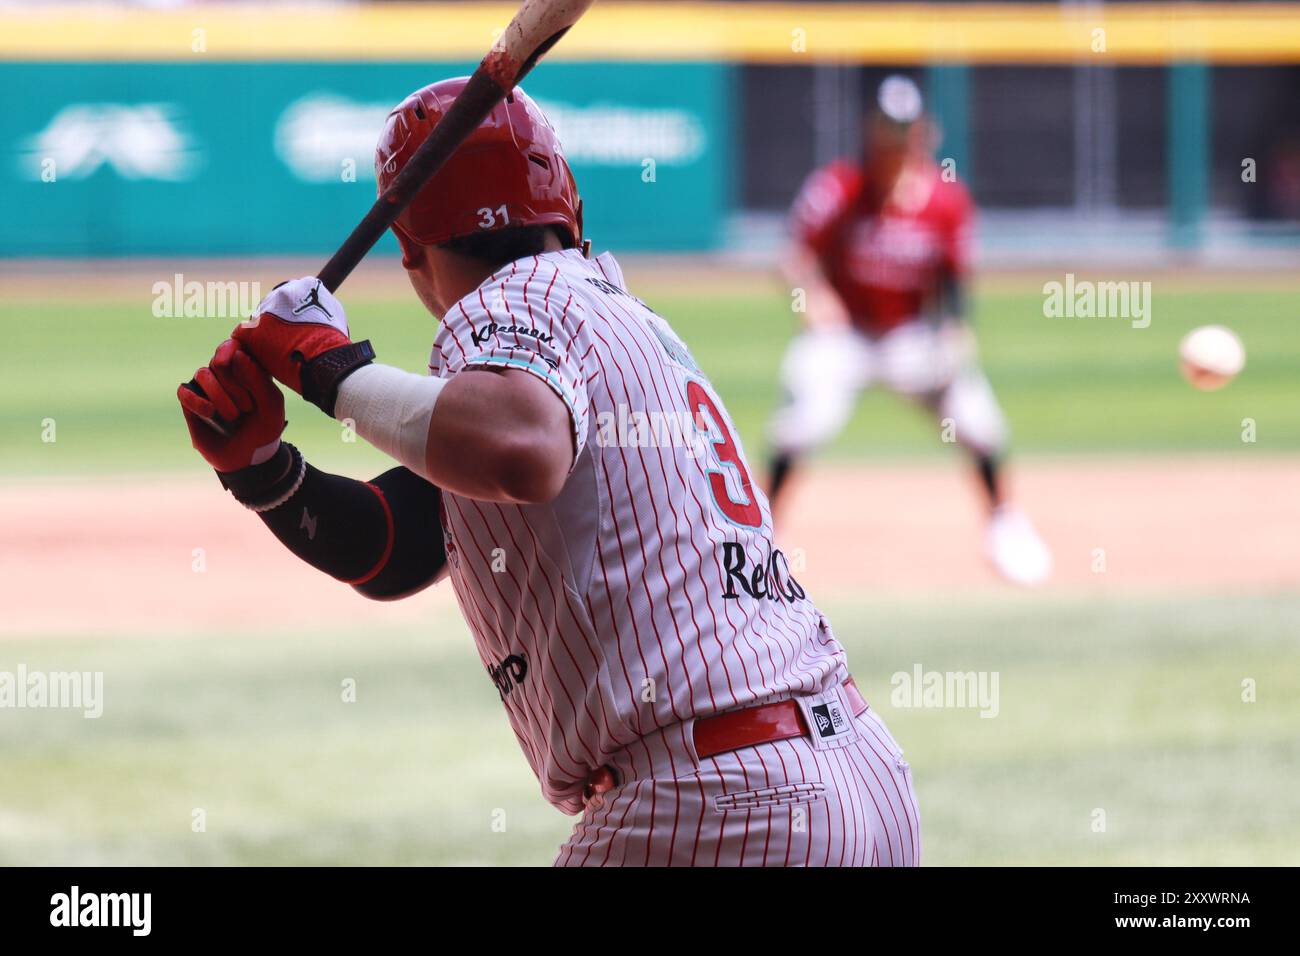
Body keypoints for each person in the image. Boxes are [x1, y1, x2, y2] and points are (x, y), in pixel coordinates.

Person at [177, 78, 918, 866]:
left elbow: (520, 452)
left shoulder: (516, 300)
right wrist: (266, 474)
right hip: (850, 773)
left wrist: (331, 371)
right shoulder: (598, 317)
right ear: (568, 208)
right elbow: (400, 545)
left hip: (722, 801)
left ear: (408, 249)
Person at [766, 75, 1052, 586]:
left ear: (923, 134)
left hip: (910, 336)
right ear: (870, 131)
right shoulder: (839, 187)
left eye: (904, 131)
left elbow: (955, 277)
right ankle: (760, 541)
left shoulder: (946, 200)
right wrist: (810, 296)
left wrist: (957, 329)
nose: (895, 143)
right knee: (800, 423)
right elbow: (792, 259)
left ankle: (1004, 525)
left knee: (978, 421)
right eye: (886, 130)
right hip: (846, 335)